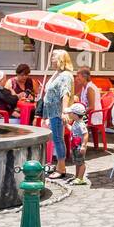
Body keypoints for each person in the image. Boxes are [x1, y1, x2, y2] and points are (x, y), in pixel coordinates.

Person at [43, 49, 76, 180]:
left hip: (57, 112)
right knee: (56, 139)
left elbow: (65, 93)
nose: (51, 59)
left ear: (61, 60)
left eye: (54, 58)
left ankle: (61, 168)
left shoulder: (65, 75)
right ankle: (58, 165)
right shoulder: (57, 73)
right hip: (51, 112)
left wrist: (64, 111)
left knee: (58, 139)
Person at [74, 66, 103, 151]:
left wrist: (79, 114)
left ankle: (78, 144)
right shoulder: (84, 87)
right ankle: (75, 142)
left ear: (84, 77)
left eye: (78, 76)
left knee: (73, 120)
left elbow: (91, 107)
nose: (76, 78)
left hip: (93, 114)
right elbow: (76, 97)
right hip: (88, 113)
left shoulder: (90, 88)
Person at [65, 102, 90, 185]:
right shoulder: (75, 123)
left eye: (70, 113)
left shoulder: (81, 124)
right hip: (75, 145)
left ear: (75, 114)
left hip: (79, 146)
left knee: (81, 162)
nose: (69, 114)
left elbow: (86, 134)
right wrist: (66, 125)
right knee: (77, 162)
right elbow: (72, 130)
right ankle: (77, 176)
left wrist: (83, 146)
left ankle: (80, 178)